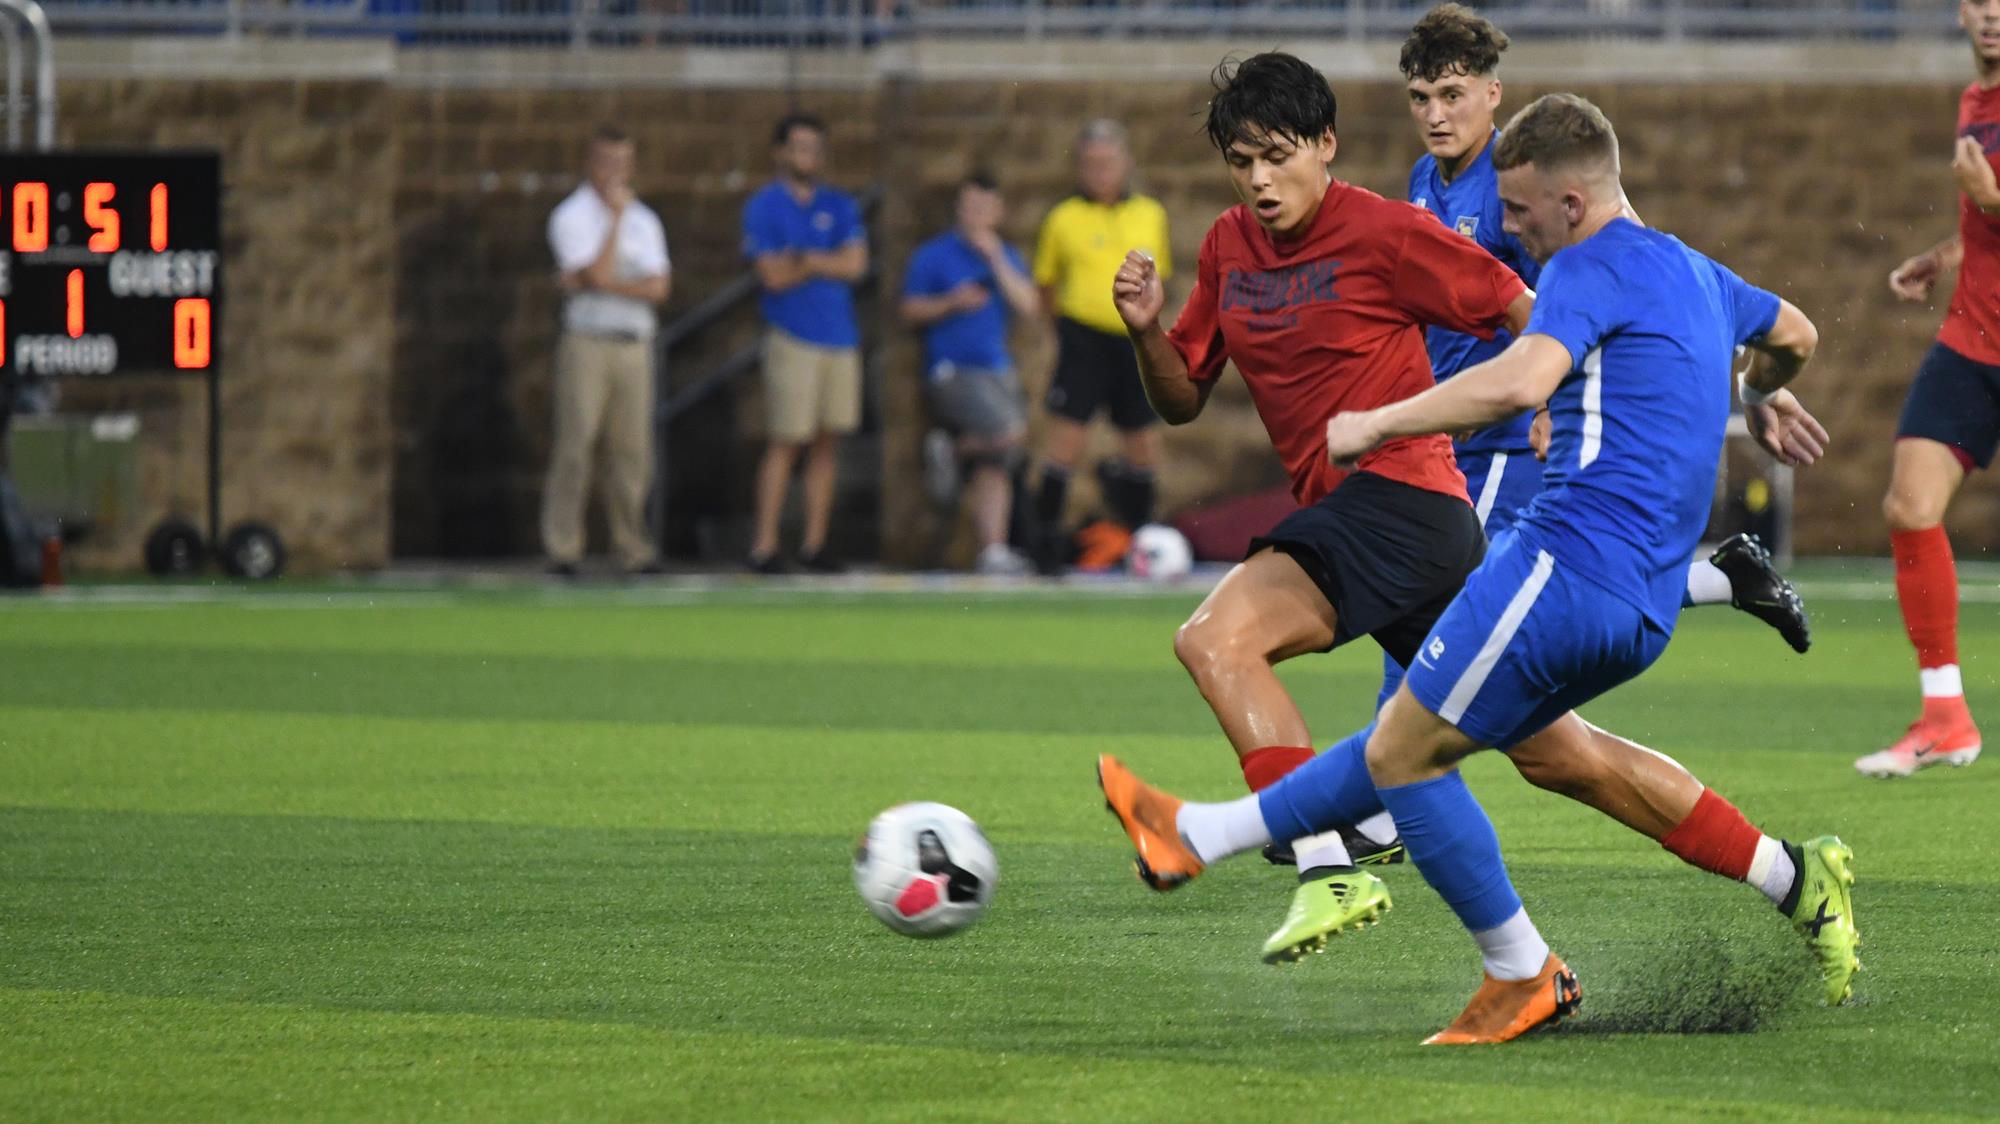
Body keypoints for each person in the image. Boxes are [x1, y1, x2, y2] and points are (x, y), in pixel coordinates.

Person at [1102, 91, 1854, 1045]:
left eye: (1522, 212)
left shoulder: (1583, 264)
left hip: (1557, 561)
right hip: (1638, 601)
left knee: (1390, 744)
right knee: (1554, 757)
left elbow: (1517, 377)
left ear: (1573, 204)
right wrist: (1760, 388)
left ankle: (1502, 962)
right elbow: (1795, 333)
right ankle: (1794, 879)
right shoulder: (1697, 270)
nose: (1508, 229)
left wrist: (1379, 422)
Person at [1398, 2, 1810, 657]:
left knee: (1465, 602)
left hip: (1511, 431)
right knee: (1491, 598)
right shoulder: (1424, 180)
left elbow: (1640, 266)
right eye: (1421, 98)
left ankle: (1449, 746)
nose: (1436, 114)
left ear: (1491, 91)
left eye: (1452, 95)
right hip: (1459, 427)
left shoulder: (1524, 180)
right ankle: (1723, 579)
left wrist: (1755, 377)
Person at [1857, 0, 2000, 777]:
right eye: (1980, 0)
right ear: (1961, 12)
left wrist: (1990, 202)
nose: (1993, 14)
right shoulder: (1974, 101)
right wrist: (1944, 254)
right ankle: (1945, 714)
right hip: (1973, 337)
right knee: (1909, 507)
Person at [1030, 120, 1172, 571]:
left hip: (1131, 339)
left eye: (1108, 162)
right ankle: (1044, 546)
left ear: (1125, 163)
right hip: (1083, 338)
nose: (1100, 172)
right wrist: (1070, 329)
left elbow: (1161, 276)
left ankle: (1141, 541)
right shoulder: (1062, 218)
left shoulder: (1150, 213)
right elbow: (1046, 286)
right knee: (1066, 440)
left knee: (1142, 442)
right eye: (1091, 163)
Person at [743, 113, 869, 575]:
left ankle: (815, 544)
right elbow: (773, 276)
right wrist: (823, 261)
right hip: (792, 334)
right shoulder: (765, 206)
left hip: (839, 333)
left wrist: (806, 259)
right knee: (786, 439)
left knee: (827, 441)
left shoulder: (838, 204)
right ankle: (765, 544)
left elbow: (856, 264)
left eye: (815, 147)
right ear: (780, 152)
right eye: (798, 147)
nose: (807, 156)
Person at [542, 125, 670, 578]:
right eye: (605, 161)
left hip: (634, 343)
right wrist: (613, 225)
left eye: (622, 162)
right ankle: (564, 547)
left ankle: (632, 547)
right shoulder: (571, 216)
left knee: (632, 453)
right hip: (588, 342)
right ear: (589, 163)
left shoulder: (646, 220)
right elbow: (593, 272)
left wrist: (603, 283)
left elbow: (658, 288)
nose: (614, 171)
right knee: (577, 444)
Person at [901, 173, 1040, 575]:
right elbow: (909, 311)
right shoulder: (932, 256)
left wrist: (995, 258)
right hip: (953, 370)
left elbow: (1029, 306)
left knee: (999, 460)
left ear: (997, 212)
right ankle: (951, 450)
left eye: (984, 208)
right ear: (958, 210)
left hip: (997, 369)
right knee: (1009, 431)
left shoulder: (1005, 255)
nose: (976, 216)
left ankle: (992, 549)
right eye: (969, 207)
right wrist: (951, 303)